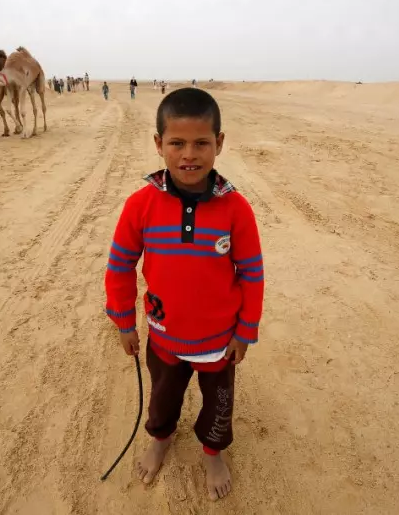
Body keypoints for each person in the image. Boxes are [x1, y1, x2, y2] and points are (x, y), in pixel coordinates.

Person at [104, 88, 264, 501]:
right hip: (164, 336)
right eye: (177, 143)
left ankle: (212, 452)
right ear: (159, 145)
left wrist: (245, 331)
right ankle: (160, 438)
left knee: (218, 406)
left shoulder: (236, 209)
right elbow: (120, 266)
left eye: (201, 143)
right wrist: (124, 322)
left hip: (218, 342)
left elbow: (252, 274)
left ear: (219, 144)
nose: (188, 154)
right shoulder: (140, 205)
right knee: (163, 399)